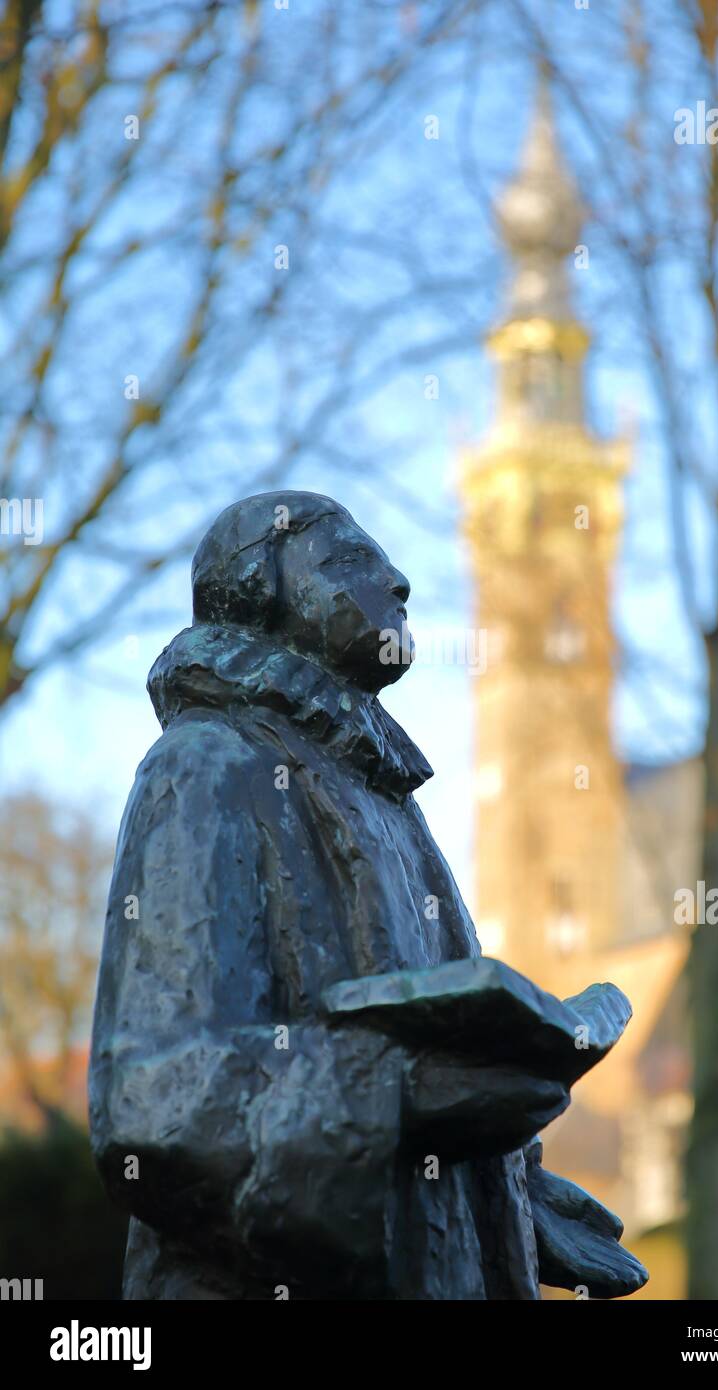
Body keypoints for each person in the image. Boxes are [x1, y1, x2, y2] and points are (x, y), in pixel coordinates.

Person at [89, 490, 648, 1300]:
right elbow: (155, 1100)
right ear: (266, 592)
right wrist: (403, 1093)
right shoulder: (203, 766)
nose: (399, 579)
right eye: (351, 560)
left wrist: (506, 1197)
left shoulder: (390, 806)